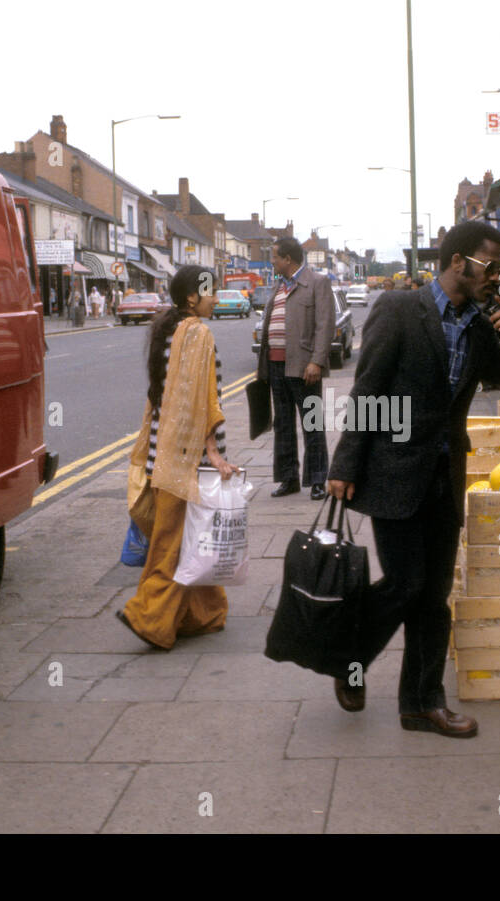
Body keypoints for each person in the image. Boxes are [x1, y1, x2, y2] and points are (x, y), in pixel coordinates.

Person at [326, 221, 500, 737]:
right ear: (457, 263)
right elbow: (369, 389)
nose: (497, 276)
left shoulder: (482, 323)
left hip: (445, 475)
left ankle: (422, 703)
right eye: (490, 266)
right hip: (393, 471)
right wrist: (345, 464)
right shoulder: (401, 309)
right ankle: (350, 654)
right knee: (406, 584)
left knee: (434, 594)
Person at [117, 264, 239, 650]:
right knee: (172, 545)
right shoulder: (198, 333)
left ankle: (204, 614)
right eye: (211, 292)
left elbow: (162, 399)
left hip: (163, 454)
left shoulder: (167, 331)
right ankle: (149, 617)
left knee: (192, 540)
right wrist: (215, 453)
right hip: (185, 460)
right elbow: (204, 403)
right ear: (192, 297)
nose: (216, 299)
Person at [256, 236, 336, 500]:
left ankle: (316, 481)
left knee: (311, 424)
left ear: (288, 259)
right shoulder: (279, 286)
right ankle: (288, 479)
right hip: (276, 366)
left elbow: (325, 326)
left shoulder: (317, 283)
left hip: (304, 367)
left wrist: (316, 361)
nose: (272, 261)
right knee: (283, 424)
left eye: (275, 257)